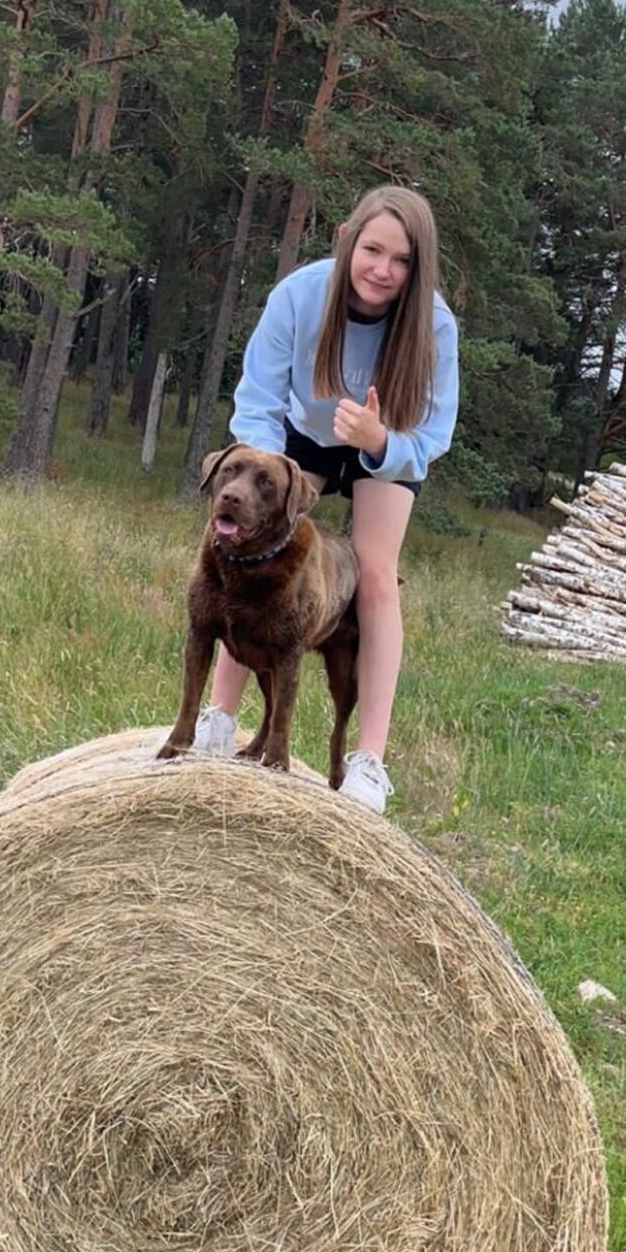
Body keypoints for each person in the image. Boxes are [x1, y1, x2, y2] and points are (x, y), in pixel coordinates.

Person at [193, 184, 459, 812]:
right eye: (372, 250)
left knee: (376, 578)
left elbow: (432, 437)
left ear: (418, 270)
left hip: (383, 442)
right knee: (247, 561)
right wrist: (278, 478)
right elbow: (257, 403)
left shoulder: (435, 326)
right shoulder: (299, 296)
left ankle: (369, 762)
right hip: (296, 442)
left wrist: (379, 442)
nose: (383, 270)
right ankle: (218, 723)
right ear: (346, 240)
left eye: (401, 262)